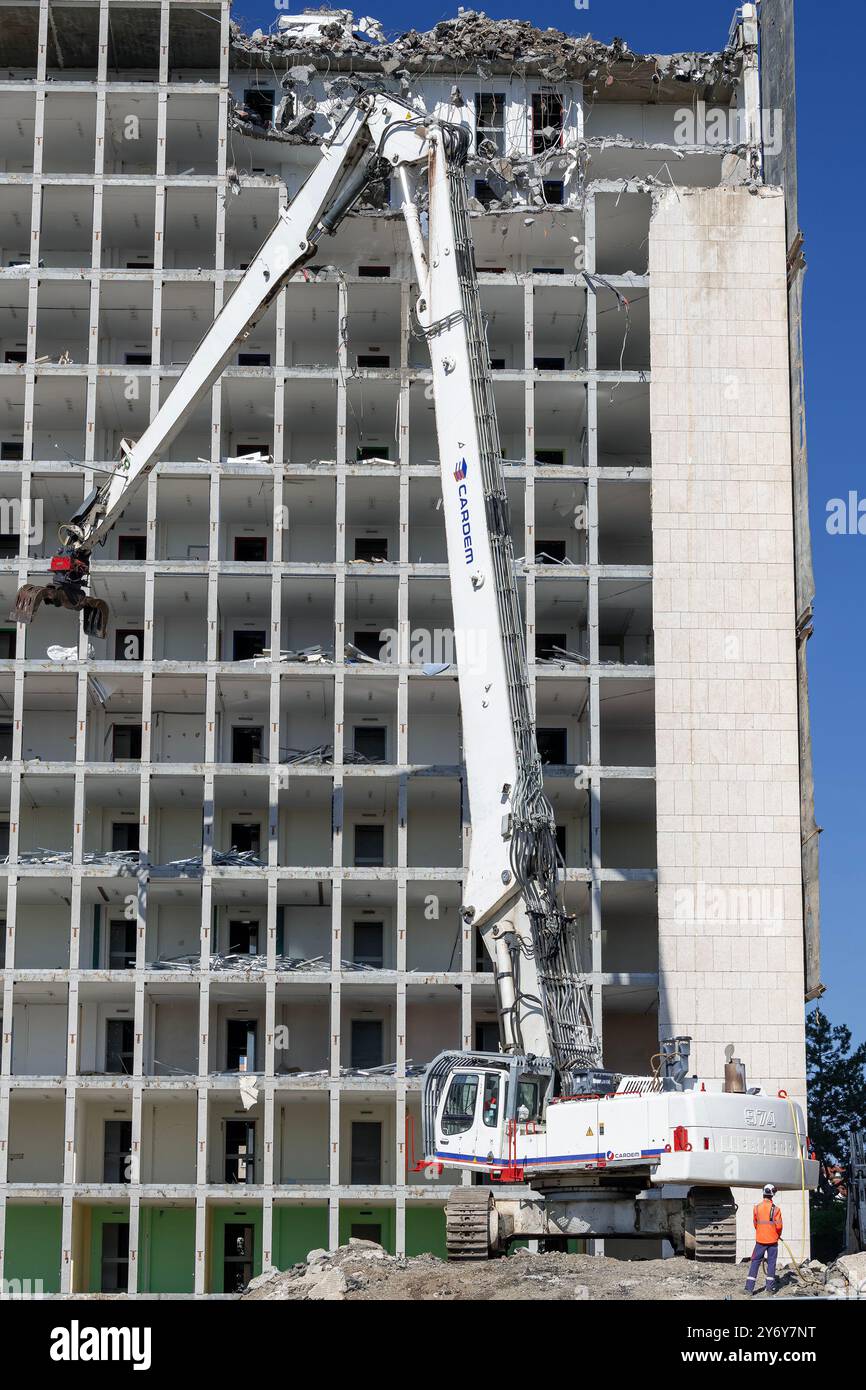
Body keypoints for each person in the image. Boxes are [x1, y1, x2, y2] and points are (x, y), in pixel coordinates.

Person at [744, 1183, 783, 1295]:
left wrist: (762, 1232)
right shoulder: (776, 1210)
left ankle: (749, 1289)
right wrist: (777, 1235)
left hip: (760, 1241)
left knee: (755, 1263)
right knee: (771, 1263)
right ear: (773, 1194)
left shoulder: (756, 1208)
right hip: (773, 1241)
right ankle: (769, 1289)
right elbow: (779, 1226)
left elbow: (755, 1224)